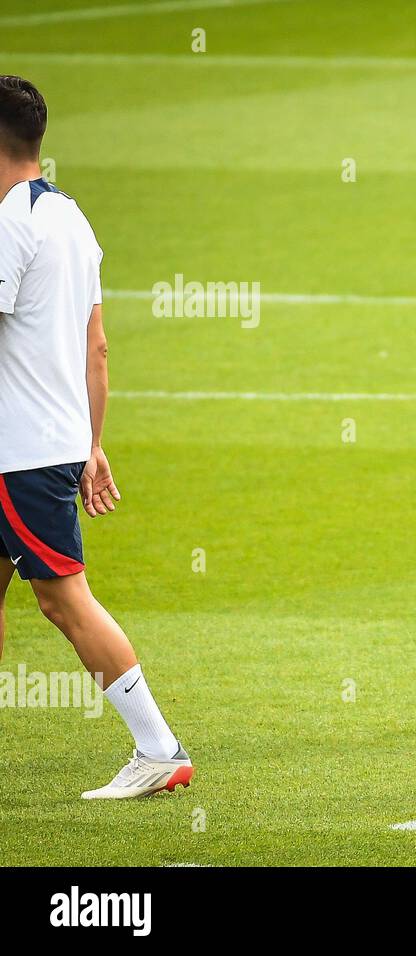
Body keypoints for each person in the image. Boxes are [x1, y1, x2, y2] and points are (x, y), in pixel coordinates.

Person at [0, 75, 192, 799]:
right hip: (49, 441)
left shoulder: (8, 228)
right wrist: (93, 443)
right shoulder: (70, 217)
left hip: (18, 452)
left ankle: (159, 745)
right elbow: (97, 345)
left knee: (62, 599)